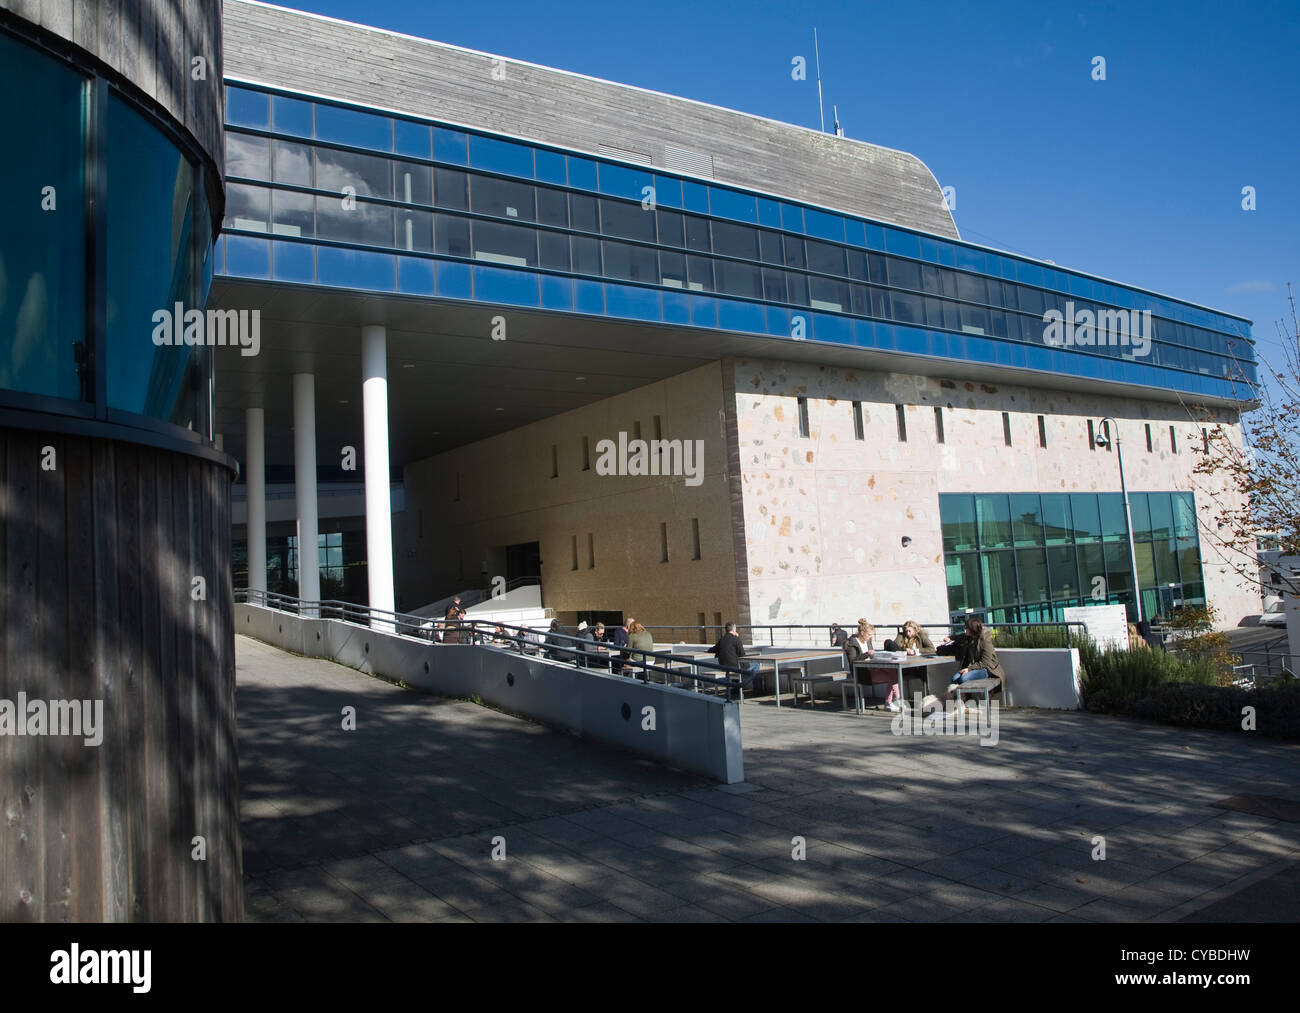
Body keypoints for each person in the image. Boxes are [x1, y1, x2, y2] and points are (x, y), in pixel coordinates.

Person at [946, 617, 1006, 704]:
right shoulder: (970, 638)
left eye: (966, 628)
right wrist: (950, 638)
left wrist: (969, 669)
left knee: (963, 679)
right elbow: (961, 637)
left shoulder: (985, 641)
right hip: (974, 667)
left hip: (987, 669)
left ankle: (968, 700)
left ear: (971, 629)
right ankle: (963, 700)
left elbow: (986, 662)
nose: (965, 629)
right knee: (954, 678)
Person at [708, 622, 756, 687]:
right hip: (735, 666)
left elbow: (713, 649)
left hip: (723, 665)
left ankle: (736, 685)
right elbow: (742, 654)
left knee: (742, 667)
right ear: (734, 630)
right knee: (756, 665)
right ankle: (744, 684)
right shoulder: (736, 639)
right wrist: (738, 638)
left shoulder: (722, 639)